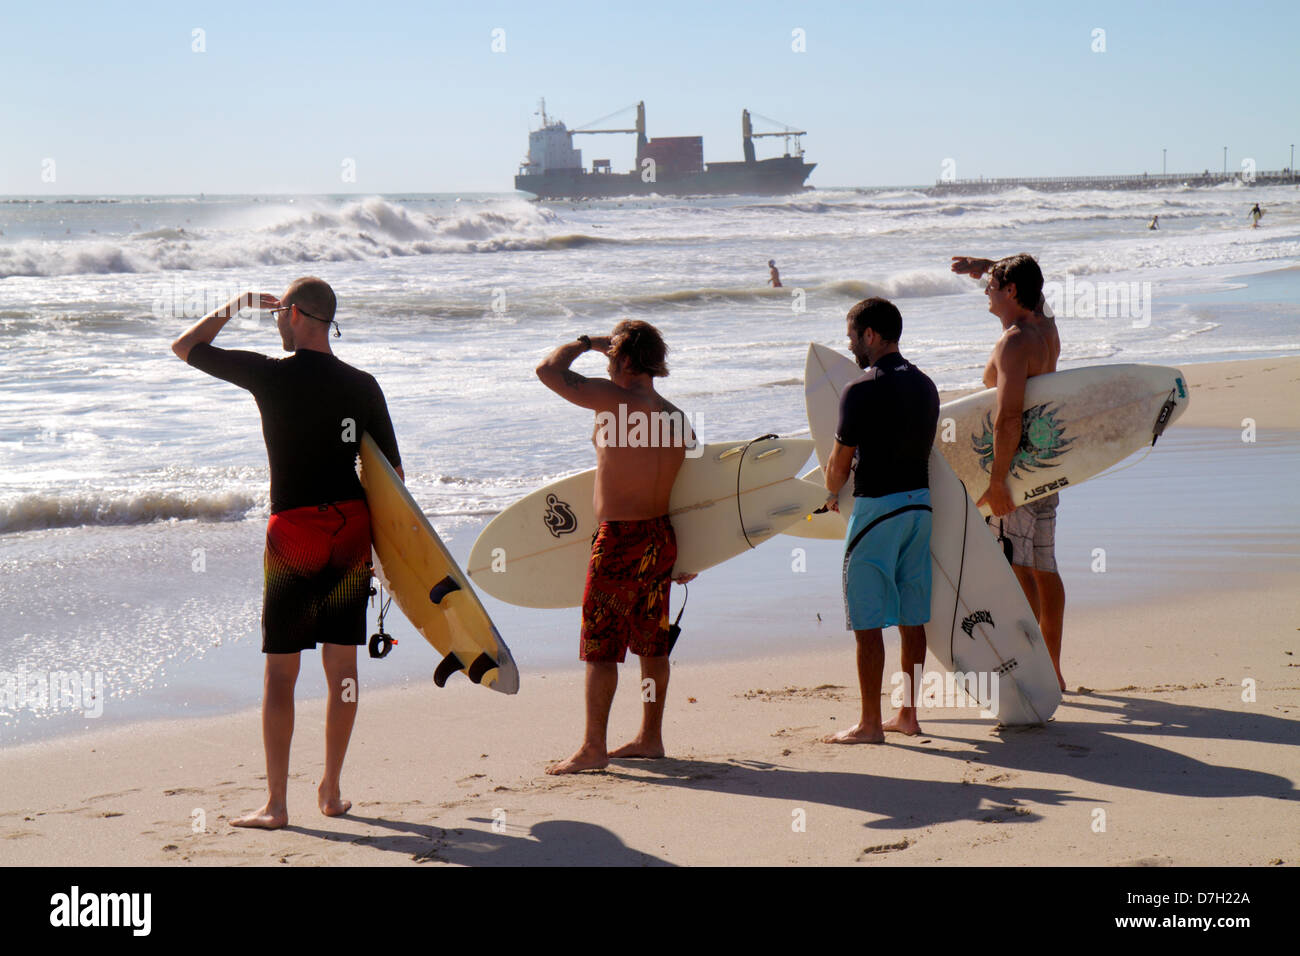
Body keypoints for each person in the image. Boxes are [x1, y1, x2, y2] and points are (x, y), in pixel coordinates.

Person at [171, 276, 402, 828]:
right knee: (342, 666)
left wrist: (233, 305)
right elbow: (393, 477)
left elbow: (185, 347)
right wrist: (388, 556)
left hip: (294, 530)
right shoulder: (363, 385)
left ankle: (276, 804)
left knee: (281, 673)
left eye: (278, 313)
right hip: (350, 530)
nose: (275, 322)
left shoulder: (270, 375)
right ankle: (331, 790)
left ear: (296, 313)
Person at [536, 320, 696, 774]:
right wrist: (692, 554)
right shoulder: (674, 416)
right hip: (660, 538)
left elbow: (548, 371)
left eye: (612, 356)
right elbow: (690, 492)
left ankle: (592, 748)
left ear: (624, 360)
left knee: (601, 647)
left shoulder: (616, 403)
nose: (605, 363)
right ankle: (650, 737)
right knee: (652, 644)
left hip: (621, 540)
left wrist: (585, 343)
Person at [821, 298, 939, 743]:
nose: (851, 346)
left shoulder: (860, 390)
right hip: (920, 508)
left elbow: (838, 465)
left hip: (877, 512)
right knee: (912, 617)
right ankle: (907, 714)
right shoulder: (926, 385)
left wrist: (832, 493)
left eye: (853, 337)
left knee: (868, 622)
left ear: (870, 334)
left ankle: (871, 723)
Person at [950, 254, 1067, 691]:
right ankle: (1052, 667)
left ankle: (1033, 668)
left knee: (1018, 569)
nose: (986, 292)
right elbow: (1034, 280)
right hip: (1047, 463)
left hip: (1015, 468)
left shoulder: (1014, 342)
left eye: (992, 286)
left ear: (1012, 292)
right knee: (1045, 566)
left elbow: (1008, 418)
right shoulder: (1046, 327)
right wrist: (989, 265)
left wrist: (997, 482)